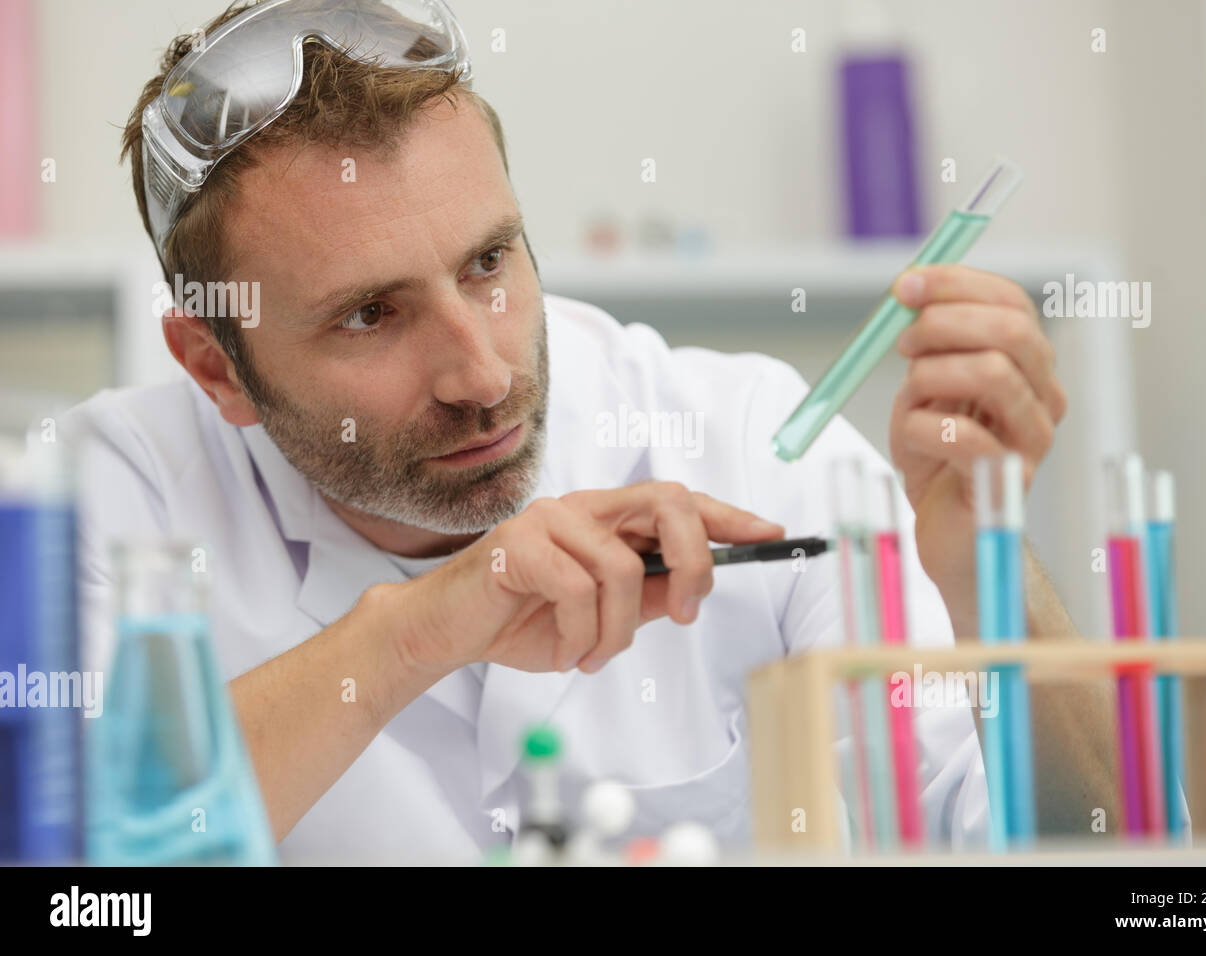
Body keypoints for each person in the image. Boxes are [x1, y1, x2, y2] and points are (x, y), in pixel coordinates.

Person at [63, 0, 1117, 862]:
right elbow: (80, 870)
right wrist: (421, 627)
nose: (481, 373)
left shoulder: (756, 446)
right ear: (215, 365)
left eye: (488, 264)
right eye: (369, 314)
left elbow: (1078, 858)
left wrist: (988, 569)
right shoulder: (109, 497)